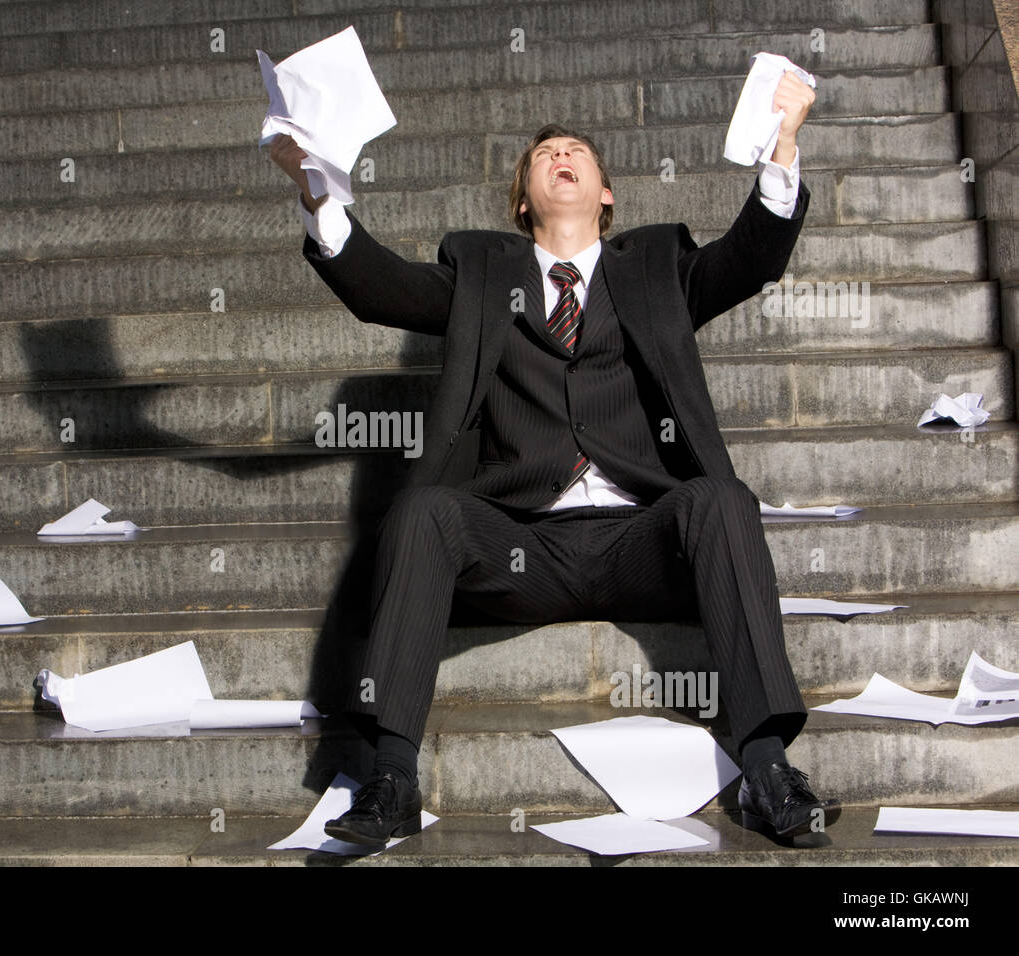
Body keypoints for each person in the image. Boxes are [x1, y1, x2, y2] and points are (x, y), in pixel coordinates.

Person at [269, 72, 838, 847]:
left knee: (723, 499)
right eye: (543, 155)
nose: (560, 156)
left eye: (576, 152)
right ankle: (392, 777)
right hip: (521, 546)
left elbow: (750, 258)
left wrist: (783, 144)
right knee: (423, 510)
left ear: (606, 194)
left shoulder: (657, 268)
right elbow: (382, 289)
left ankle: (768, 768)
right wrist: (314, 186)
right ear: (521, 203)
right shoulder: (481, 276)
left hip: (642, 539)